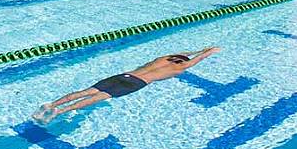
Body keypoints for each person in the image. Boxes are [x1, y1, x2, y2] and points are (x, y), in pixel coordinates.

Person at [32, 48, 221, 124]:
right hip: (135, 83)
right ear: (182, 62)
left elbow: (183, 53)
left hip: (126, 74)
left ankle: (51, 105)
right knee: (95, 99)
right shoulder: (179, 68)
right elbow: (196, 59)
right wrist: (209, 52)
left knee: (86, 92)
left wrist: (198, 49)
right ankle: (59, 112)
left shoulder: (161, 59)